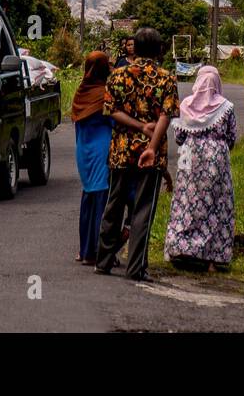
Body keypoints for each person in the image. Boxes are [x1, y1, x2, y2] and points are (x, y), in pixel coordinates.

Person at [94, 27, 179, 282]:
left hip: (121, 150)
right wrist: (151, 145)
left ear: (135, 48)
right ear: (158, 50)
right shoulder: (166, 78)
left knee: (113, 205)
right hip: (151, 155)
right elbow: (166, 116)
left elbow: (110, 111)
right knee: (143, 209)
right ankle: (136, 268)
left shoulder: (117, 75)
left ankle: (103, 261)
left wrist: (136, 125)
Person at [164, 65, 237, 270]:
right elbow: (232, 137)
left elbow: (179, 137)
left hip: (189, 157)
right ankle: (213, 258)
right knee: (217, 203)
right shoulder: (226, 107)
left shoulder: (186, 105)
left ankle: (183, 248)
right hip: (217, 159)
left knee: (187, 200)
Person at [71, 50, 113, 265]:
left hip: (83, 151)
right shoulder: (104, 94)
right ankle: (98, 251)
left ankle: (85, 250)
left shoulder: (80, 93)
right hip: (102, 151)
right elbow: (114, 121)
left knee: (88, 197)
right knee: (102, 200)